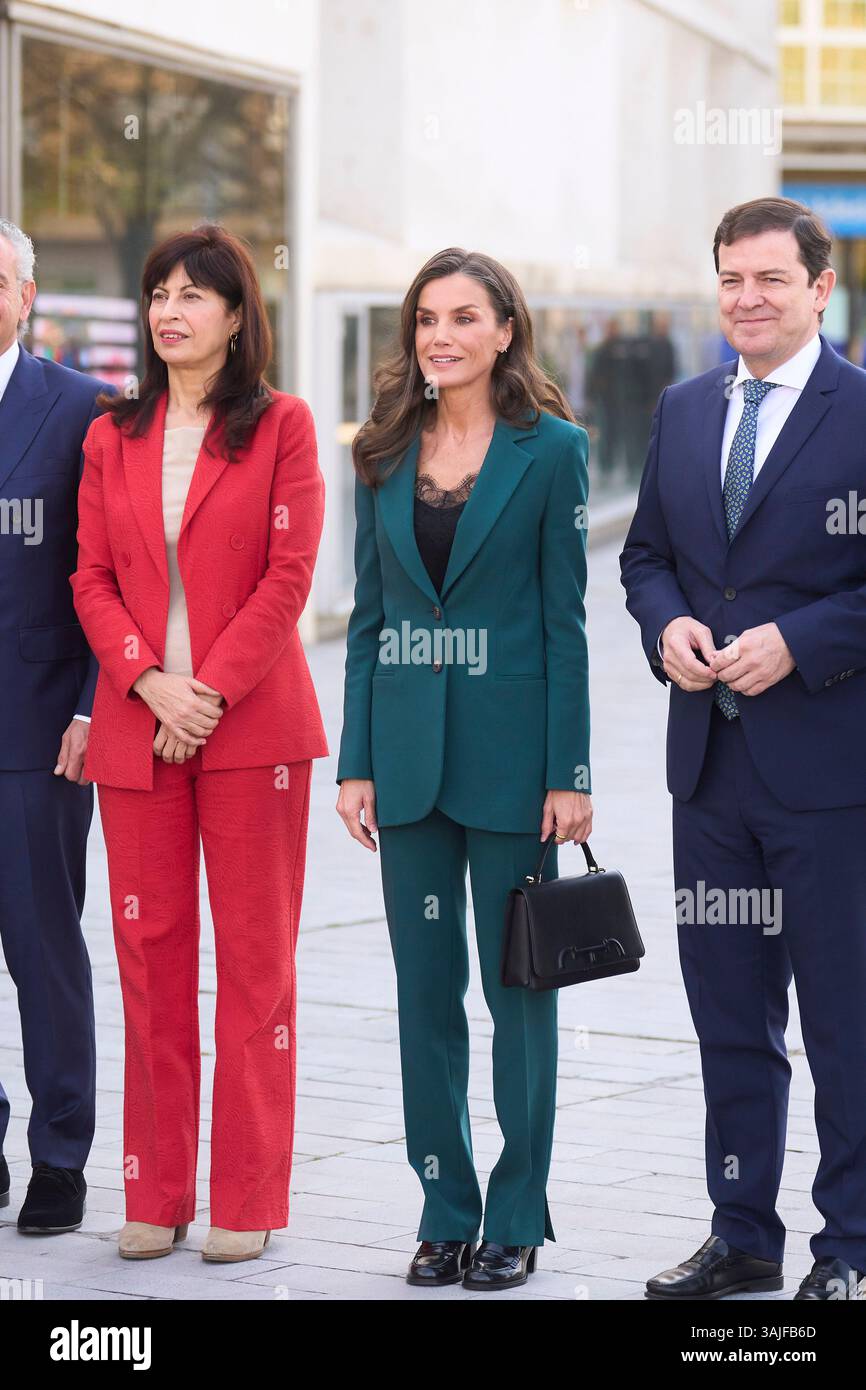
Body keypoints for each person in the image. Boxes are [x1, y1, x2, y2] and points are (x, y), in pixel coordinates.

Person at [621, 196, 866, 1301]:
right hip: (709, 774)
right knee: (728, 1020)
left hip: (830, 779)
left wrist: (799, 641)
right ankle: (742, 1235)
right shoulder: (682, 410)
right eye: (730, 278)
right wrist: (664, 624)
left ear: (820, 288)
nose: (747, 298)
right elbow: (645, 557)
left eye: (770, 278)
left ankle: (850, 1247)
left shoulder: (859, 411)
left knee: (844, 1023)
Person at [71, 223, 328, 1263]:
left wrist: (206, 692)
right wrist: (148, 681)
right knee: (149, 960)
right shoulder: (110, 435)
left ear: (234, 315)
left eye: (192, 294)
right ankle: (156, 1188)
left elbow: (289, 578)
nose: (169, 311)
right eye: (158, 294)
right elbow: (89, 577)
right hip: (138, 729)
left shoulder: (283, 426)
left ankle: (248, 1197)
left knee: (257, 966)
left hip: (250, 729)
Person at [336, 247, 592, 1291]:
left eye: (463, 317)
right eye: (426, 319)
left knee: (518, 992)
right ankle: (444, 1210)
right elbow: (369, 618)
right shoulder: (382, 450)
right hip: (404, 764)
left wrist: (570, 772)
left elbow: (565, 621)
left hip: (512, 764)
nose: (440, 335)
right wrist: (355, 759)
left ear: (504, 331)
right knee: (424, 997)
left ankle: (517, 1214)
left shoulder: (554, 451)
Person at [0, 218, 111, 1236]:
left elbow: (108, 573)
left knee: (44, 955)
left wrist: (90, 706)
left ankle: (60, 1158)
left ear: (25, 297)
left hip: (38, 735)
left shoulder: (81, 409)